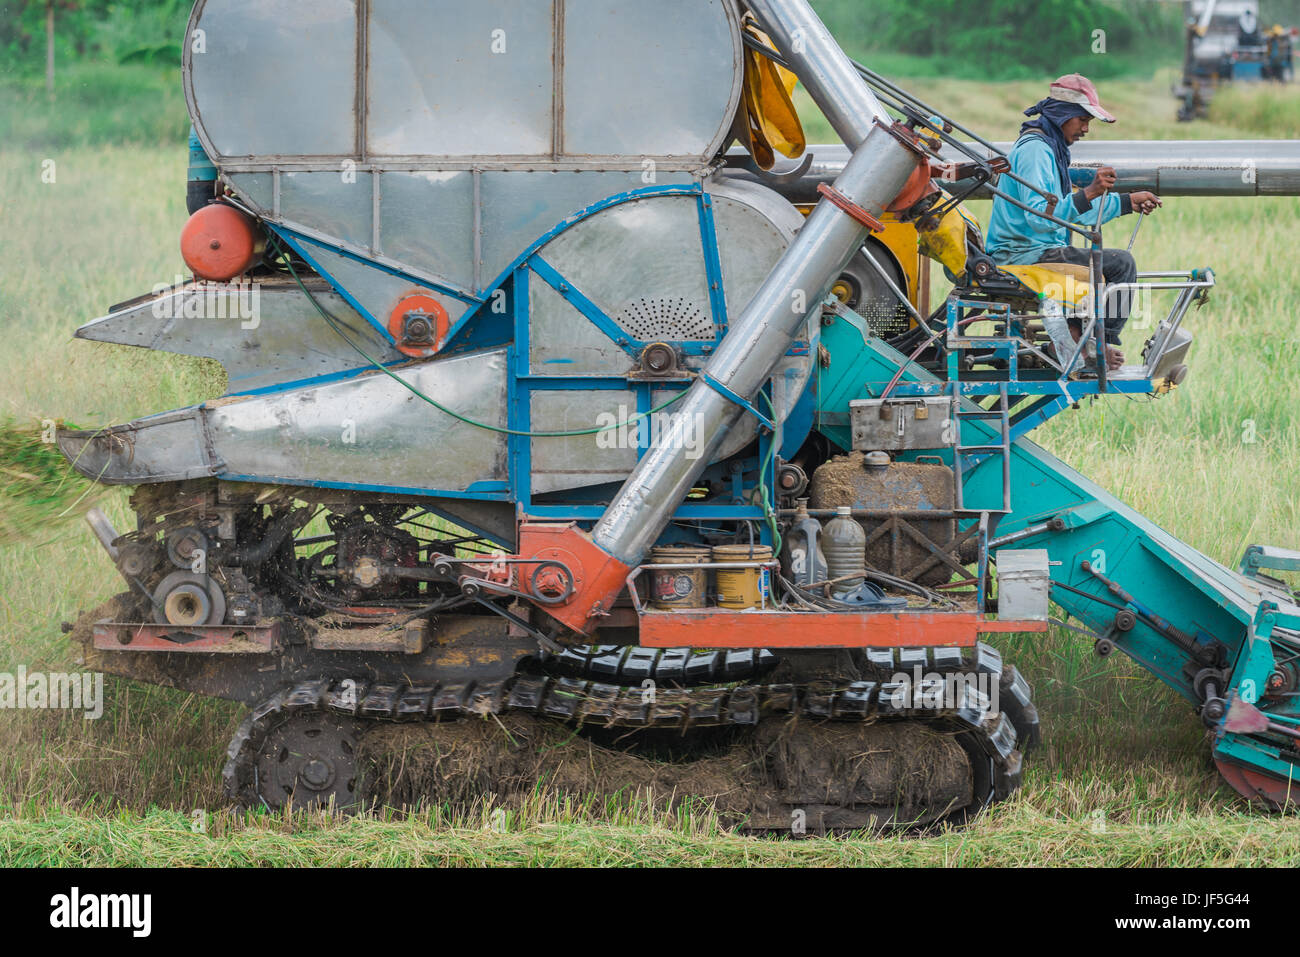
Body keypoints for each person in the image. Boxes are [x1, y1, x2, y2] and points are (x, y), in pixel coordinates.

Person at [986, 74, 1161, 370]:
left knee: (1098, 264)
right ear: (1062, 115)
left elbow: (1070, 211)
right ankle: (1097, 346)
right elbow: (1041, 218)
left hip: (1038, 248)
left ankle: (1078, 339)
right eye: (1082, 119)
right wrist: (1091, 191)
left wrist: (1127, 202)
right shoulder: (1035, 151)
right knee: (1121, 265)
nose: (1085, 129)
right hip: (1023, 254)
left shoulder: (1049, 149)